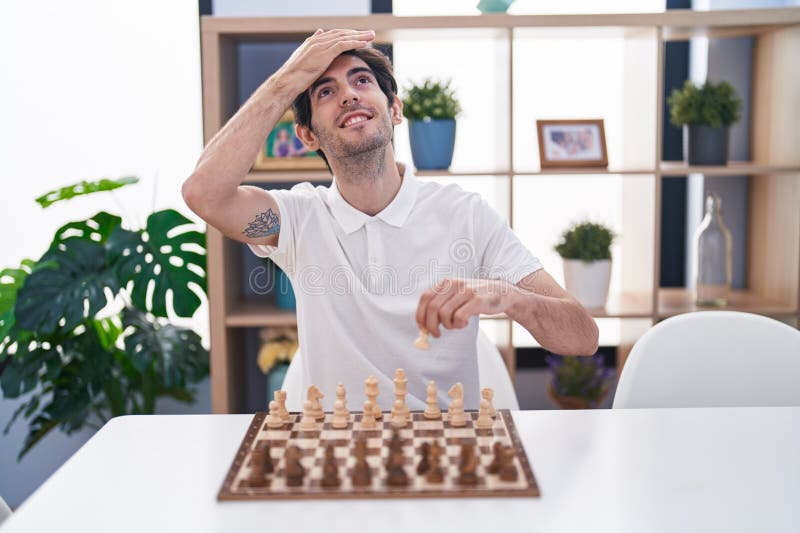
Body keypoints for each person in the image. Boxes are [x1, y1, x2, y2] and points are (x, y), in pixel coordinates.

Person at [182, 29, 598, 409]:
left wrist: (506, 296)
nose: (349, 95)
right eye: (325, 91)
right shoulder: (297, 219)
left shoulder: (466, 214)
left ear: (395, 109)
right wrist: (286, 80)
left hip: (447, 457)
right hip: (341, 458)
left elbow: (582, 338)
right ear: (307, 136)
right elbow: (204, 194)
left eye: (362, 81)